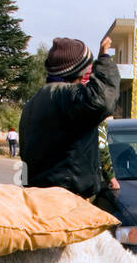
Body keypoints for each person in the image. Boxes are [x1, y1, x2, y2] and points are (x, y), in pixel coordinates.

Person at [20, 35, 120, 202]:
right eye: (87, 67)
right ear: (78, 70)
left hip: (38, 195)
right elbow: (103, 101)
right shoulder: (68, 97)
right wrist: (103, 58)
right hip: (66, 198)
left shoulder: (34, 101)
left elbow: (24, 151)